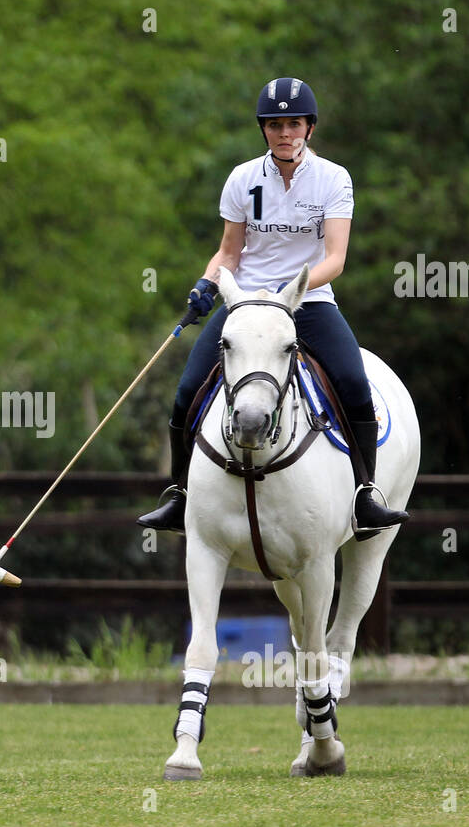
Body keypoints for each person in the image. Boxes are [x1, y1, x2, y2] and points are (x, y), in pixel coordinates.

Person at [137, 77, 408, 538]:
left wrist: (288, 290)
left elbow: (335, 259)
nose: (286, 133)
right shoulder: (243, 178)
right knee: (187, 391)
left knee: (354, 384)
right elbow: (229, 251)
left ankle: (366, 494)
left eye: (294, 124)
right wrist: (207, 284)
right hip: (246, 303)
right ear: (264, 129)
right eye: (276, 124)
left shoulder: (333, 179)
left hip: (309, 301)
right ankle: (180, 495)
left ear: (310, 128)